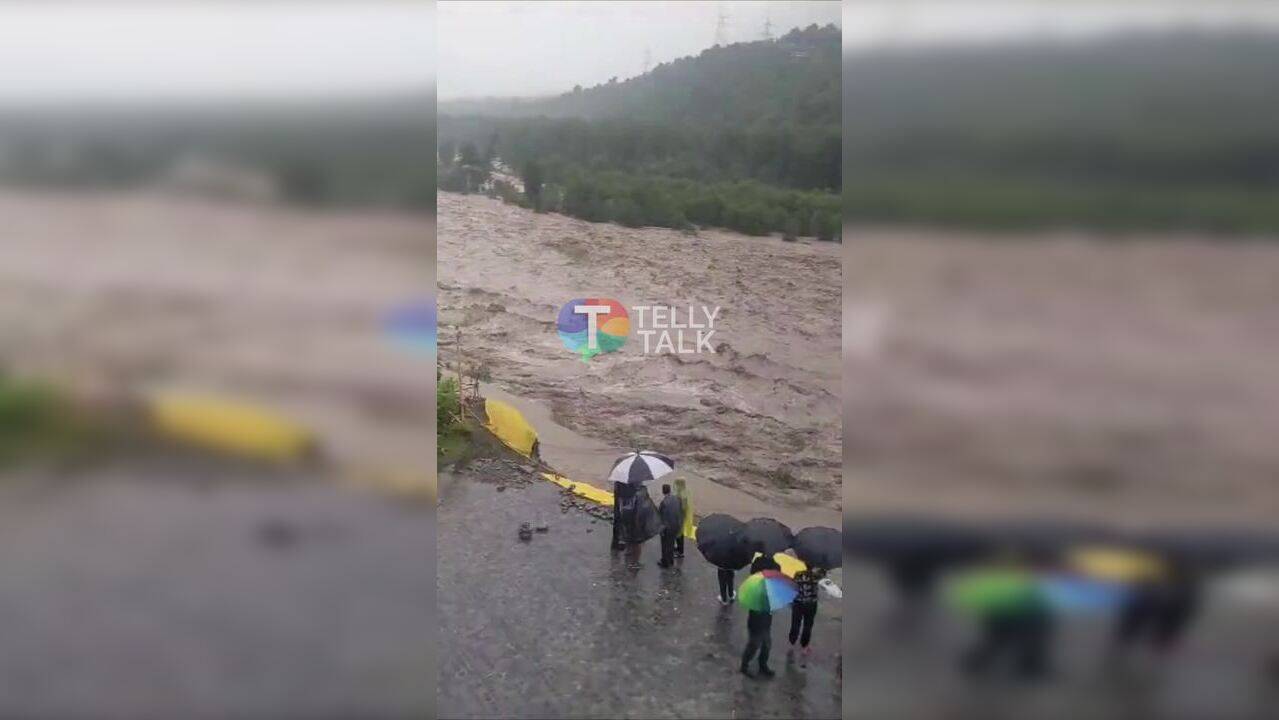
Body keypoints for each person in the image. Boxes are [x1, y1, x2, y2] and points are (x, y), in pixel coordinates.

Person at [789, 565, 827, 667]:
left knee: (795, 624)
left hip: (798, 602)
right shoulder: (817, 573)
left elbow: (792, 584)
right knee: (808, 625)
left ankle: (792, 643)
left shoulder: (797, 572)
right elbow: (824, 579)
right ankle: (804, 647)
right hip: (811, 604)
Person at [657, 483, 683, 568]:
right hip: (676, 525)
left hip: (667, 527)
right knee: (671, 543)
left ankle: (665, 562)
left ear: (663, 491)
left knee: (665, 544)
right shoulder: (676, 498)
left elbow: (660, 515)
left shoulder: (664, 502)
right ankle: (671, 560)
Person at [611, 480, 637, 551]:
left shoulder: (619, 480)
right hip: (626, 499)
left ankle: (617, 541)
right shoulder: (635, 480)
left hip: (621, 497)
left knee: (618, 520)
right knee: (624, 521)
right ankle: (622, 540)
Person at [673, 477, 693, 558]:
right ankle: (678, 548)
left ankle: (680, 552)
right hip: (679, 516)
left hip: (680, 517)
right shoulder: (683, 492)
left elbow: (684, 508)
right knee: (677, 533)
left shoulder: (683, 494)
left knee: (679, 534)